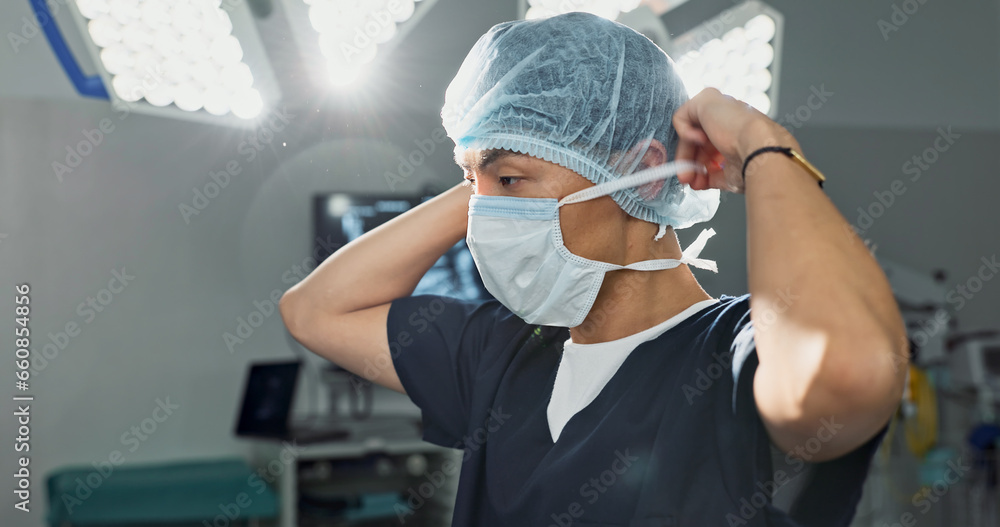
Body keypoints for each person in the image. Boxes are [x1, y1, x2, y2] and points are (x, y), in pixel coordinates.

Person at [280, 12, 908, 526]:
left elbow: (847, 374)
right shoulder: (502, 353)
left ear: (642, 167)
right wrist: (492, 156)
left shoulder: (734, 354)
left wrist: (766, 149)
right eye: (472, 186)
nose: (482, 217)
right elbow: (314, 311)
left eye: (510, 182)